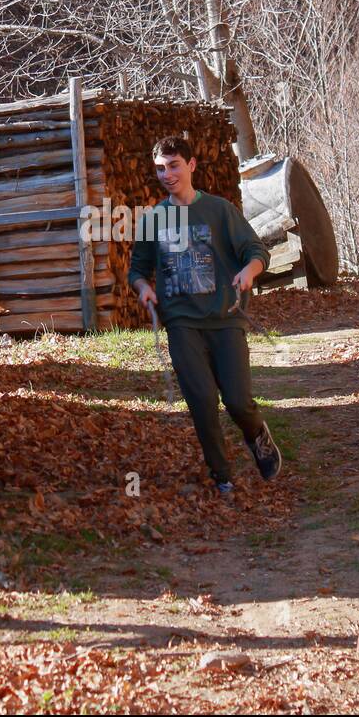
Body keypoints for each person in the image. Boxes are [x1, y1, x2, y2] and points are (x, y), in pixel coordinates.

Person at [127, 136, 282, 495]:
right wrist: (143, 289)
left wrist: (249, 271)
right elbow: (137, 270)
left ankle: (256, 433)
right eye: (160, 169)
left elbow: (256, 250)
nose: (167, 174)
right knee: (201, 401)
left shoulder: (219, 211)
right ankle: (221, 474)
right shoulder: (154, 219)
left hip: (225, 318)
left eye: (174, 165)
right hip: (182, 323)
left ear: (192, 165)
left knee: (238, 401)